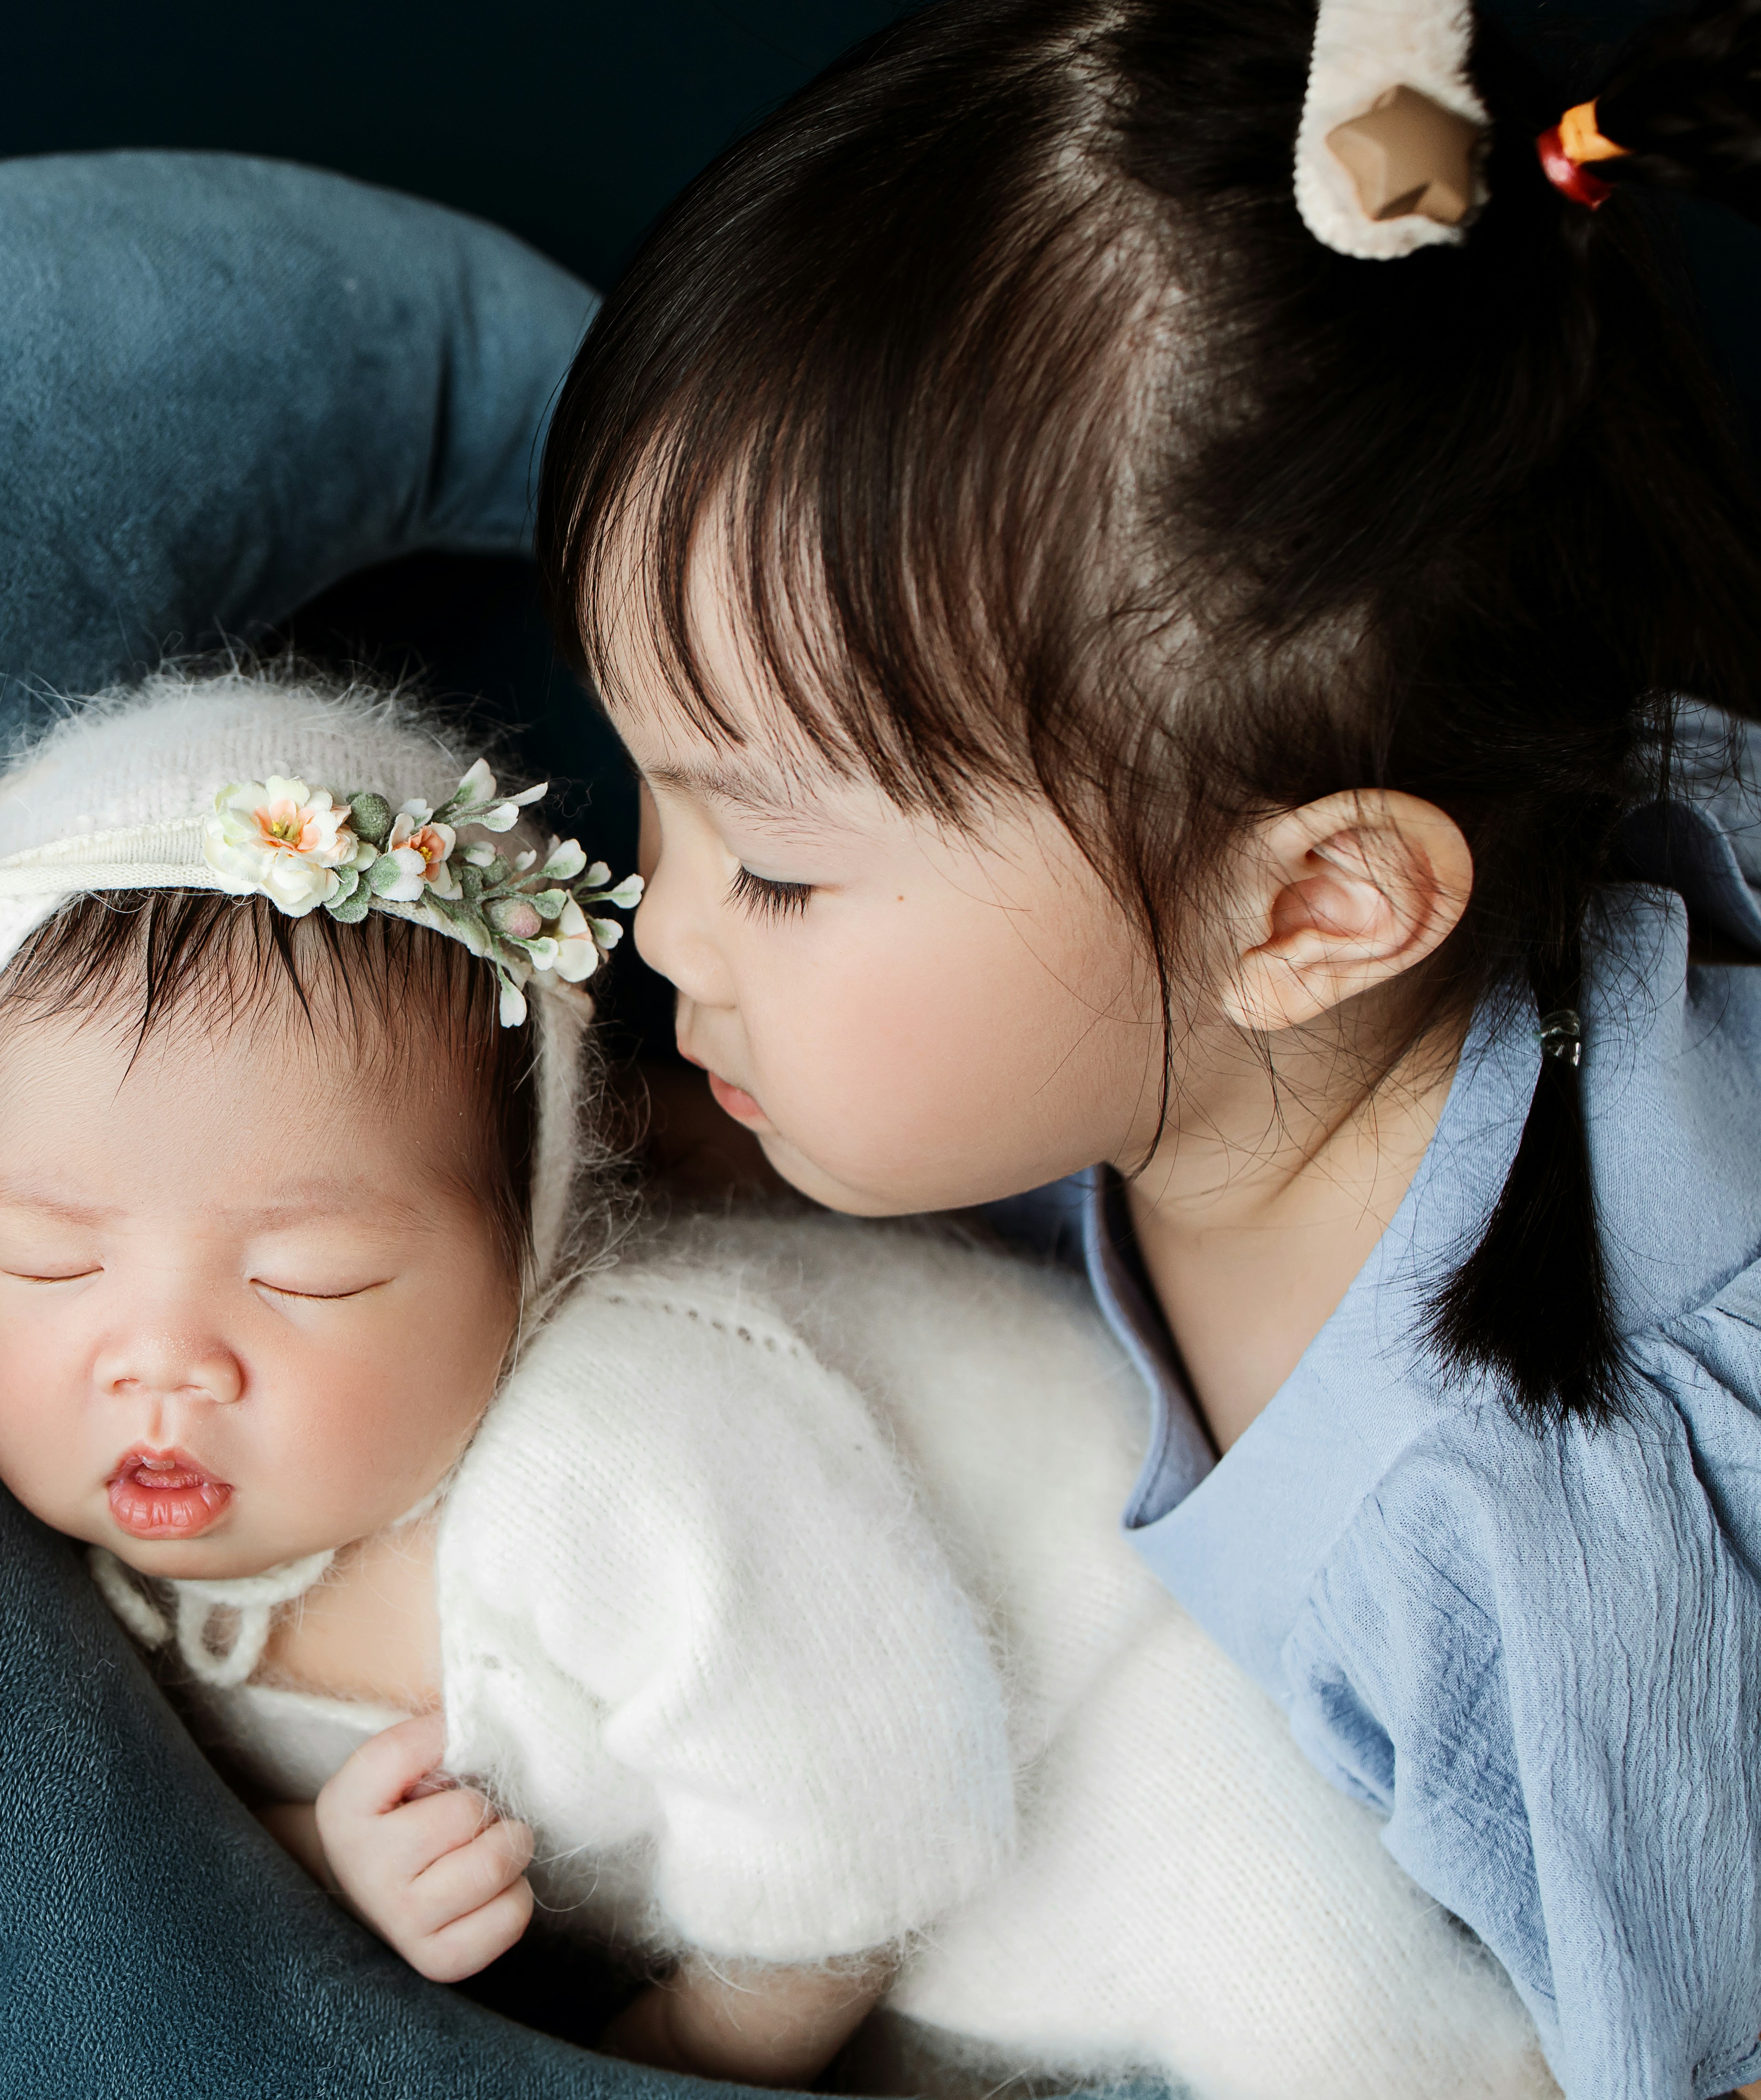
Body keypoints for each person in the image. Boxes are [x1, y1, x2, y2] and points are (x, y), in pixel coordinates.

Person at [533, 0, 1761, 2092]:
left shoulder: (1518, 1555)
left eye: (781, 870)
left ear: (1312, 913)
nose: (663, 916)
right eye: (658, 790)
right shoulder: (1256, 979)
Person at [0, 662, 1553, 2096]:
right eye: (48, 1260)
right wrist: (324, 1864)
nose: (162, 1362)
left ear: (527, 1251)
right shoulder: (99, 1563)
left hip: (1109, 1677)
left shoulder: (610, 1454)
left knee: (1315, 2010)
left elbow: (873, 1808)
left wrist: (698, 2051)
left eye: (309, 1276)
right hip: (820, 1878)